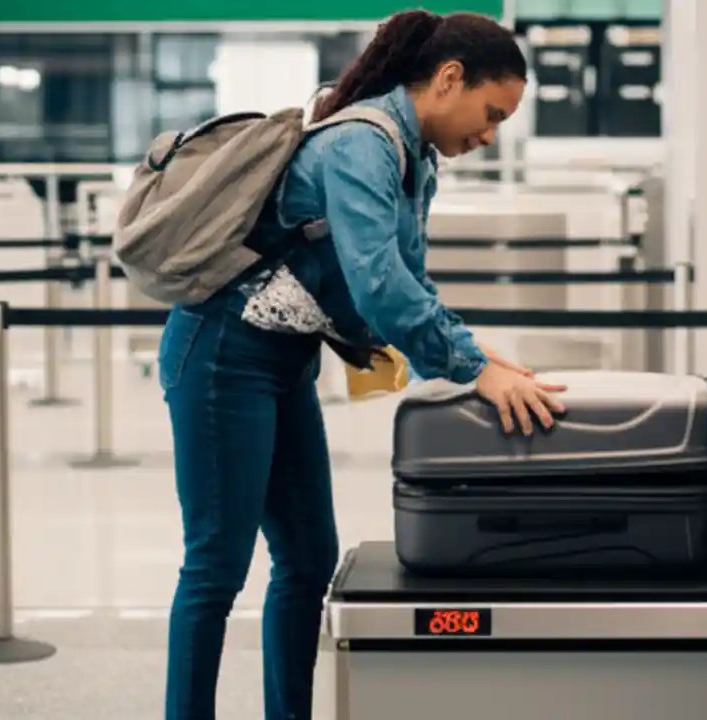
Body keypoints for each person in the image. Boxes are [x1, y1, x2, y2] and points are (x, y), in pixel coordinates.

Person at [156, 10, 565, 719]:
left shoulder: (416, 159)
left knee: (310, 560)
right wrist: (473, 369)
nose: (491, 134)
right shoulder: (361, 145)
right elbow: (380, 287)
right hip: (221, 353)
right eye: (491, 113)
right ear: (447, 79)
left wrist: (476, 351)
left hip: (284, 361)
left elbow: (407, 280)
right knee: (216, 568)